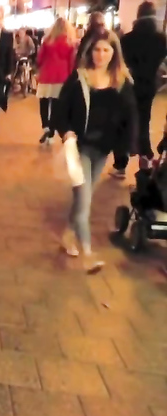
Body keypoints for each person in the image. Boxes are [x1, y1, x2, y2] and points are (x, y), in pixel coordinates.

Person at [53, 29, 137, 273]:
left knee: (82, 198)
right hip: (79, 148)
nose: (100, 55)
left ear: (114, 52)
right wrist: (66, 132)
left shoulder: (122, 81)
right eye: (97, 49)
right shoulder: (80, 77)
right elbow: (60, 110)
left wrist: (130, 148)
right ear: (89, 51)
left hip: (103, 150)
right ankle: (88, 253)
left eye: (106, 50)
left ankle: (69, 235)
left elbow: (131, 117)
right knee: (84, 201)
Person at [110, 1, 167, 179]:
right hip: (149, 88)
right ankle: (145, 165)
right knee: (143, 123)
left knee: (122, 124)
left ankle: (120, 164)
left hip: (128, 88)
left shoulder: (126, 39)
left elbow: (119, 65)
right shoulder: (162, 40)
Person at [36, 17, 76, 147]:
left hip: (47, 75)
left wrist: (39, 69)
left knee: (44, 102)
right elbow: (71, 61)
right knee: (56, 106)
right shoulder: (70, 42)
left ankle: (46, 127)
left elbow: (40, 58)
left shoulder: (47, 40)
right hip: (62, 76)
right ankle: (52, 131)